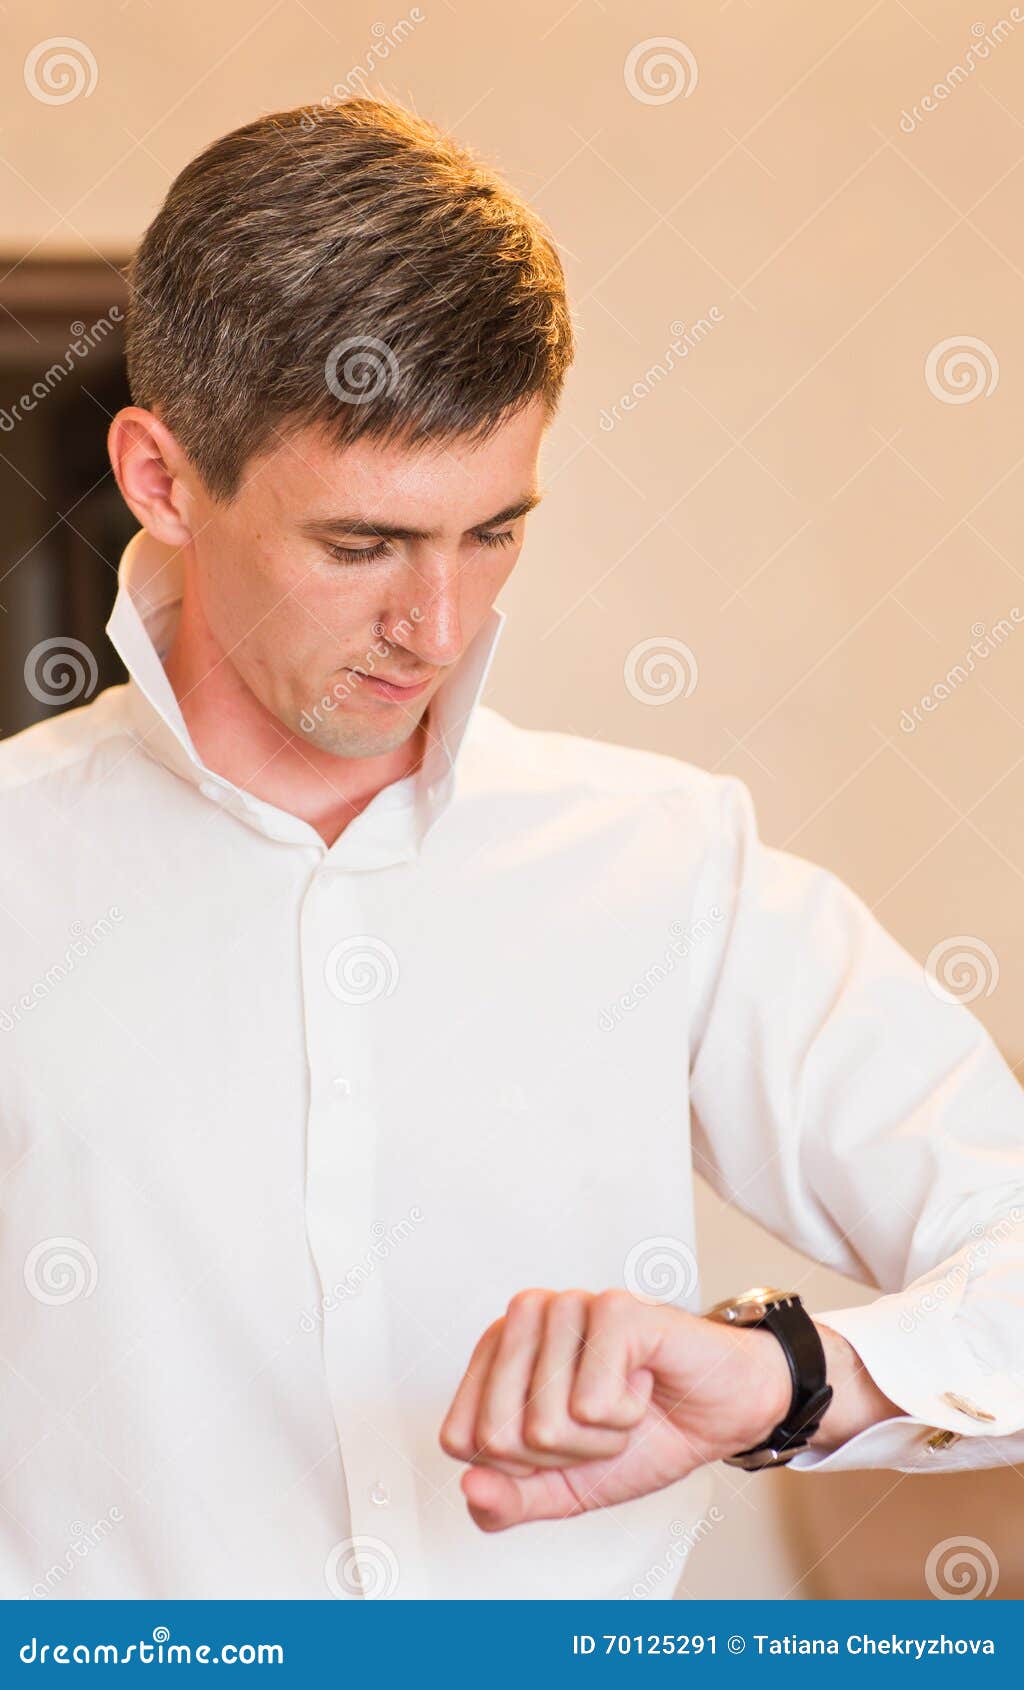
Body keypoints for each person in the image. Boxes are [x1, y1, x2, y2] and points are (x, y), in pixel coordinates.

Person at [2, 97, 1022, 1603]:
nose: (442, 626)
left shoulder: (670, 861)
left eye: (494, 532)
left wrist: (793, 1378)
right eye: (362, 545)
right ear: (161, 478)